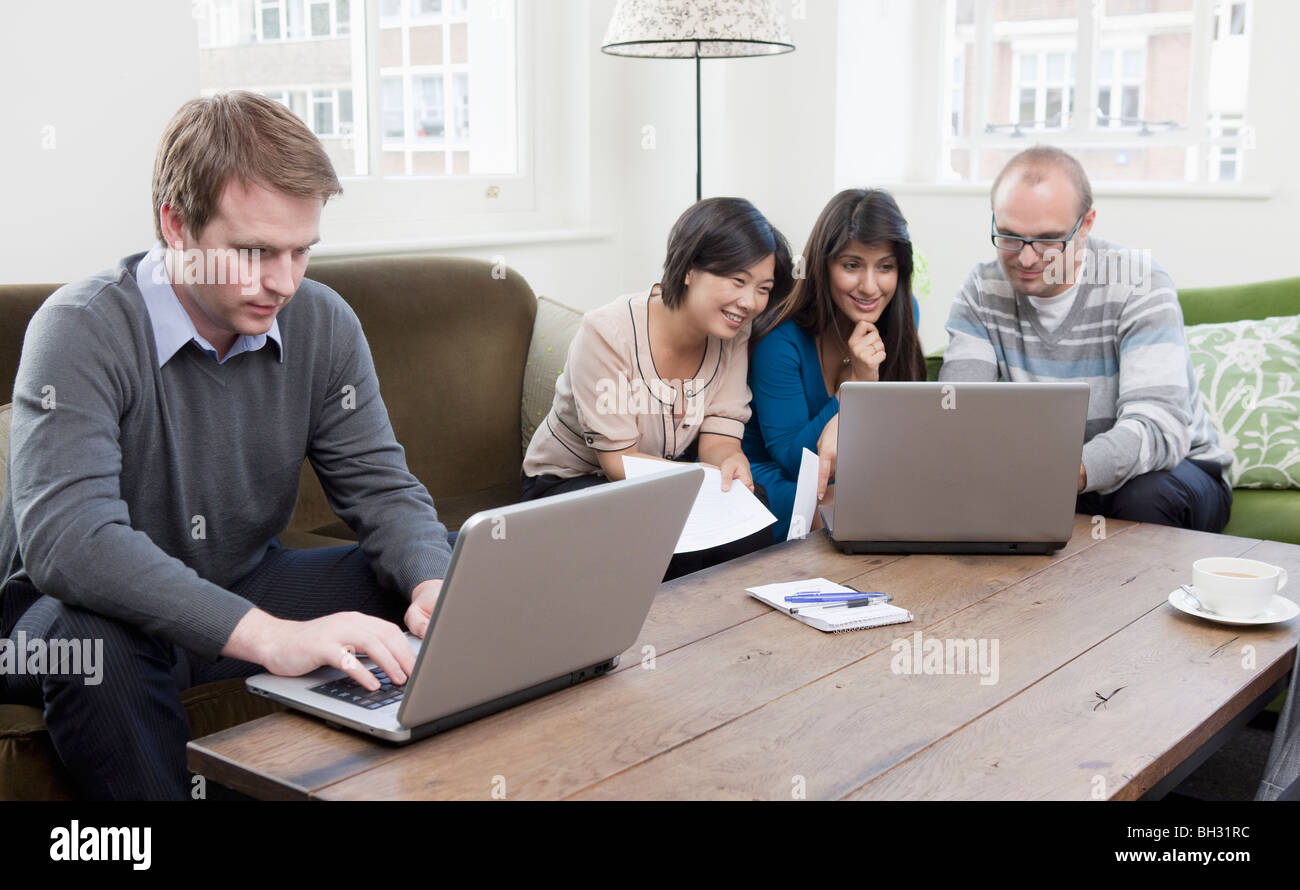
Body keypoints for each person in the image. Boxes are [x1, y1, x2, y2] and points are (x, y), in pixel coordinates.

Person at [0, 92, 455, 799]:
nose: (283, 281)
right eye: (253, 252)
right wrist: (268, 636)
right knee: (91, 642)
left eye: (301, 251)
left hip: (238, 578)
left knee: (443, 578)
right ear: (175, 226)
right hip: (64, 612)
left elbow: (383, 490)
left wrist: (433, 581)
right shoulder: (80, 328)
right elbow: (70, 542)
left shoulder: (322, 322)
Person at [939, 145, 1232, 531]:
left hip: (1174, 471)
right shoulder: (981, 288)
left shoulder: (1138, 282)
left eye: (1048, 240)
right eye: (1009, 236)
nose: (1027, 259)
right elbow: (960, 410)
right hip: (1048, 475)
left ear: (1087, 223)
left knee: (1145, 495)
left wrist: (1069, 472)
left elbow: (1159, 426)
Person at [521, 197, 793, 578]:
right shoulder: (607, 332)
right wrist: (701, 481)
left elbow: (719, 433)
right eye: (737, 281)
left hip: (664, 480)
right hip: (570, 485)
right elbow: (618, 462)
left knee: (751, 509)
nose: (749, 302)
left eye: (763, 288)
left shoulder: (732, 333)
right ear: (689, 268)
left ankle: (730, 630)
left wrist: (729, 463)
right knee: (658, 534)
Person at [743, 189, 926, 540]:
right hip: (774, 477)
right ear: (822, 265)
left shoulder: (902, 313)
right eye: (851, 265)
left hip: (852, 473)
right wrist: (856, 385)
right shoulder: (780, 337)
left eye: (885, 267)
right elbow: (794, 461)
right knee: (836, 507)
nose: (870, 287)